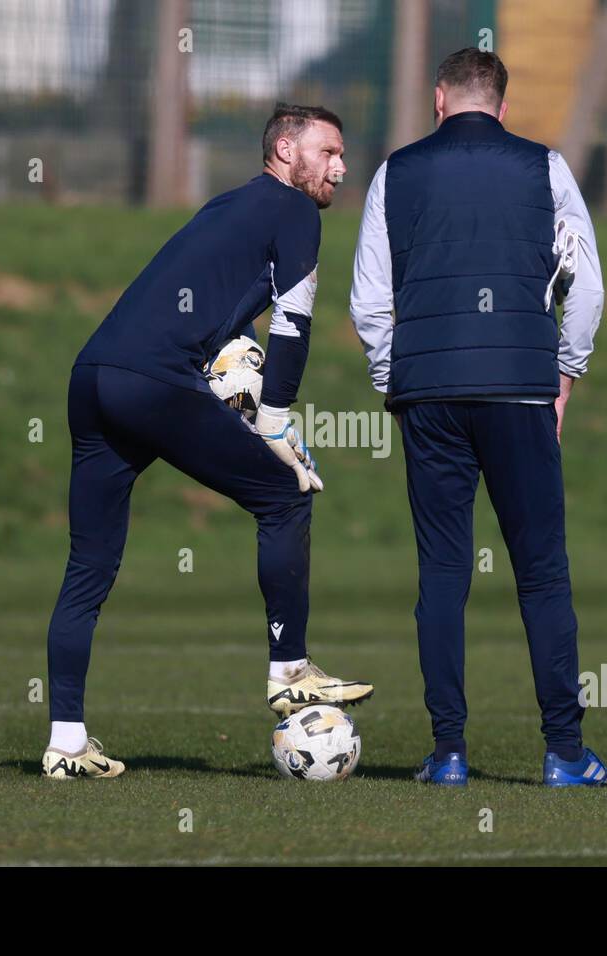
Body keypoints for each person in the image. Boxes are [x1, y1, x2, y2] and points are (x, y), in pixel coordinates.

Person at [41, 105, 373, 780]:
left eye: (343, 154)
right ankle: (290, 672)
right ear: (286, 149)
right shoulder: (294, 213)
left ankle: (65, 743)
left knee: (89, 566)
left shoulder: (227, 209)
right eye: (328, 150)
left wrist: (249, 393)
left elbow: (218, 326)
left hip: (93, 374)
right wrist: (276, 417)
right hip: (153, 381)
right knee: (284, 497)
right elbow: (293, 325)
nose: (341, 166)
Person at [349, 49, 607, 788]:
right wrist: (566, 373)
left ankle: (447, 754)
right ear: (502, 106)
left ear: (438, 98)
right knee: (541, 573)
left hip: (429, 395)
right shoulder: (546, 167)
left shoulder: (393, 173)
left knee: (442, 573)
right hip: (520, 392)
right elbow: (588, 286)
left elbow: (370, 303)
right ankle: (565, 754)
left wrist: (395, 382)